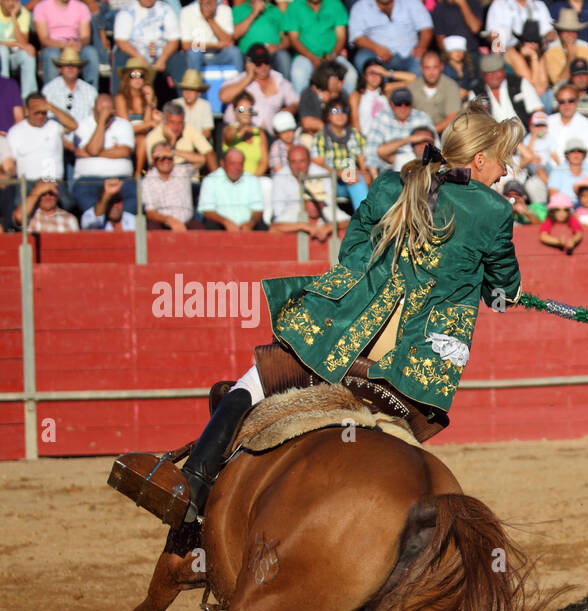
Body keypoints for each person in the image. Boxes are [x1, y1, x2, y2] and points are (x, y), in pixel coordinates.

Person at [138, 101, 525, 521]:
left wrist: (374, 279)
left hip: (339, 334)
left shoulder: (394, 183)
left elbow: (352, 249)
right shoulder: (494, 211)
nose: (504, 172)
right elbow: (503, 292)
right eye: (502, 161)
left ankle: (192, 484)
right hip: (408, 369)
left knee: (253, 383)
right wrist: (501, 286)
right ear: (480, 158)